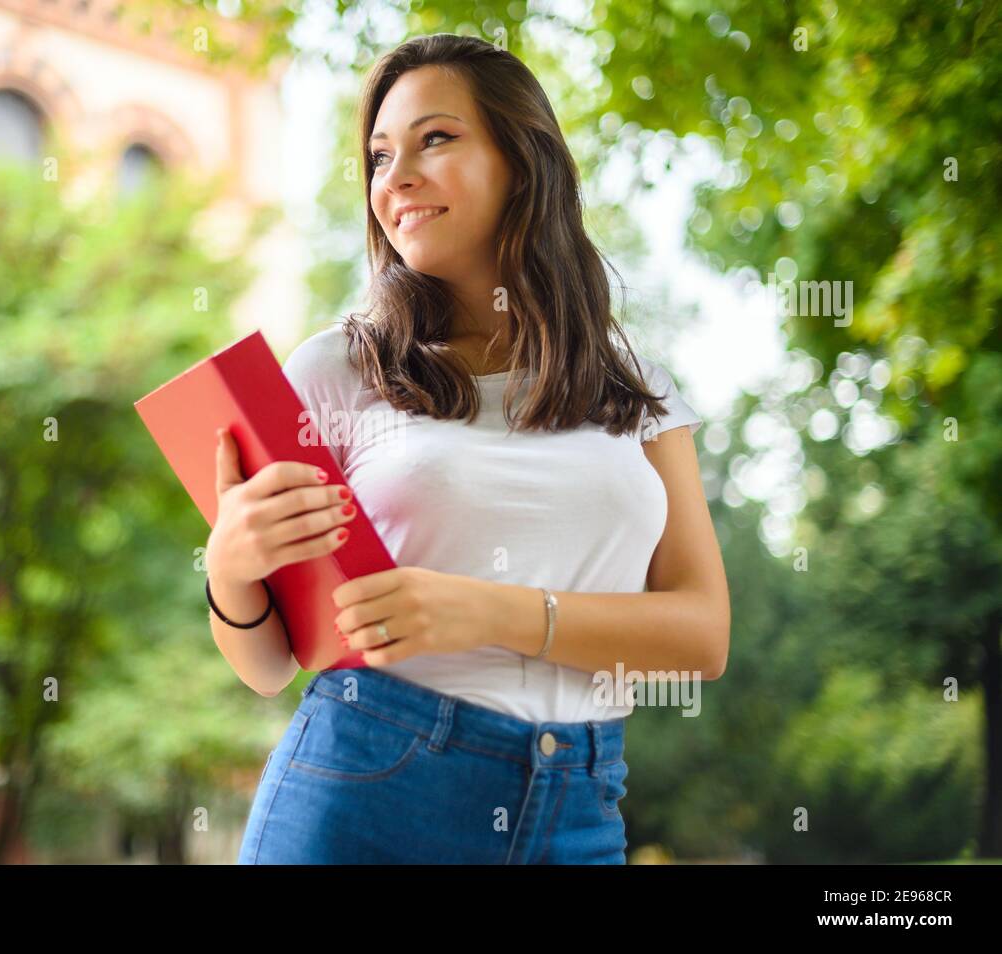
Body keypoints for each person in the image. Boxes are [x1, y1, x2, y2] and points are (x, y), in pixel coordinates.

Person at [204, 33, 730, 864]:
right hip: (370, 785)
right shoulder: (337, 370)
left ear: (522, 162)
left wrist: (490, 612)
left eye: (434, 139)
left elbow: (702, 635)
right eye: (378, 157)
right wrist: (231, 569)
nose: (396, 177)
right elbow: (271, 665)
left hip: (580, 805)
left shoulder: (635, 386)